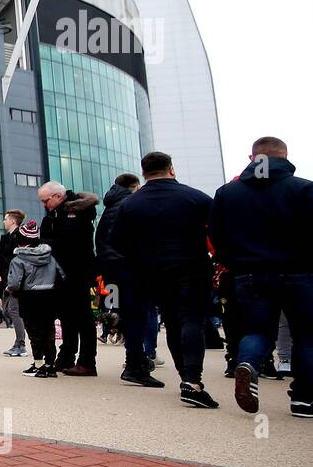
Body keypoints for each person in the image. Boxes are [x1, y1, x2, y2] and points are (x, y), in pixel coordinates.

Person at [209, 136, 312, 417]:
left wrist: (234, 262)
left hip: (249, 273)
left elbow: (216, 235)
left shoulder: (227, 193)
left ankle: (249, 364)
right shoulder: (303, 190)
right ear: (285, 155)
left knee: (257, 331)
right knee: (306, 336)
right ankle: (304, 398)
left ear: (251, 157)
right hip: (300, 273)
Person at [111, 152, 218, 408]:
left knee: (171, 321)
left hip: (153, 271)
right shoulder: (196, 197)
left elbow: (116, 241)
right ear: (171, 168)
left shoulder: (130, 204)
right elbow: (219, 231)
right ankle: (192, 381)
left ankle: (186, 377)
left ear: (144, 172)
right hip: (192, 267)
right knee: (192, 320)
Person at [94, 173, 164, 388]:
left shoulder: (110, 207)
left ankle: (137, 360)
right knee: (141, 314)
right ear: (136, 185)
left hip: (112, 268)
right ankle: (138, 361)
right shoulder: (131, 204)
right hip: (131, 267)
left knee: (128, 313)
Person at [37, 181, 99, 376]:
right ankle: (66, 356)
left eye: (46, 200)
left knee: (83, 317)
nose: (44, 205)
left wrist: (49, 238)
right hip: (62, 272)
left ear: (57, 196)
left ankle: (87, 361)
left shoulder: (76, 212)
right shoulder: (58, 214)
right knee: (66, 316)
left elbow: (68, 242)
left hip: (77, 271)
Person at [5, 218, 64, 378]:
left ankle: (38, 365)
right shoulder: (49, 256)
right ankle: (50, 365)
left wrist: (8, 289)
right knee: (48, 331)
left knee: (34, 332)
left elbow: (14, 284)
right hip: (49, 296)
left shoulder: (18, 260)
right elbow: (61, 275)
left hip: (29, 298)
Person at [0, 210, 28, 356]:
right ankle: (20, 343)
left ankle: (20, 345)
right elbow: (1, 258)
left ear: (13, 221)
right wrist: (0, 275)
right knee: (7, 310)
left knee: (14, 310)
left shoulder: (20, 237)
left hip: (17, 279)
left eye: (6, 219)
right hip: (6, 277)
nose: (4, 221)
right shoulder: (5, 237)